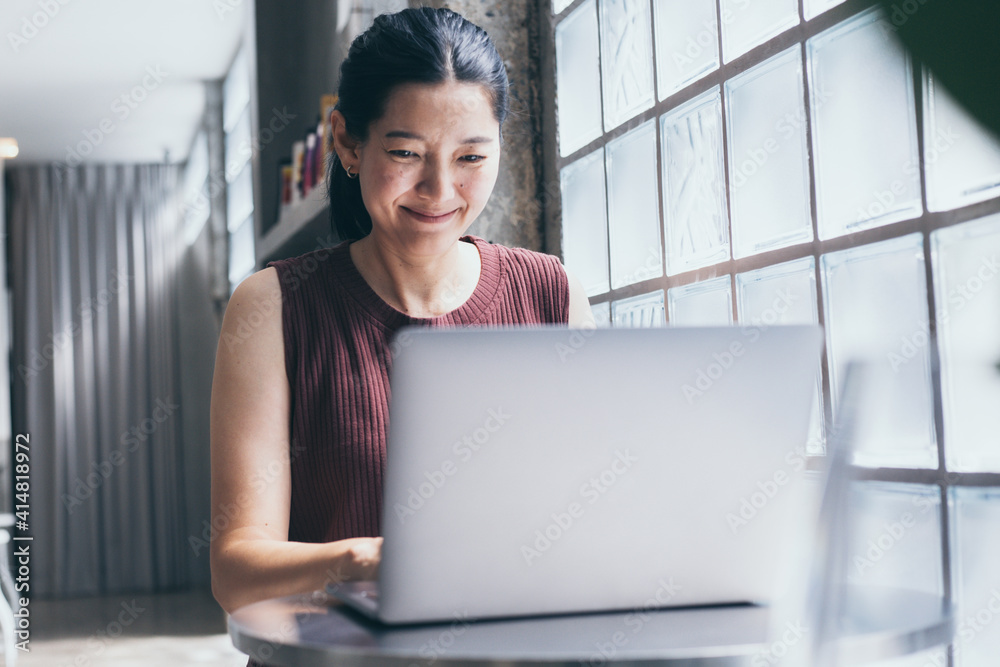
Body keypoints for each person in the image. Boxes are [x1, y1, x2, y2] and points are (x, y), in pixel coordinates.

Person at [209, 6, 594, 619]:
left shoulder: (551, 295)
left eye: (471, 158)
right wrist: (360, 564)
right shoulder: (275, 308)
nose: (440, 191)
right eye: (407, 153)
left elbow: (587, 519)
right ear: (347, 143)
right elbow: (236, 572)